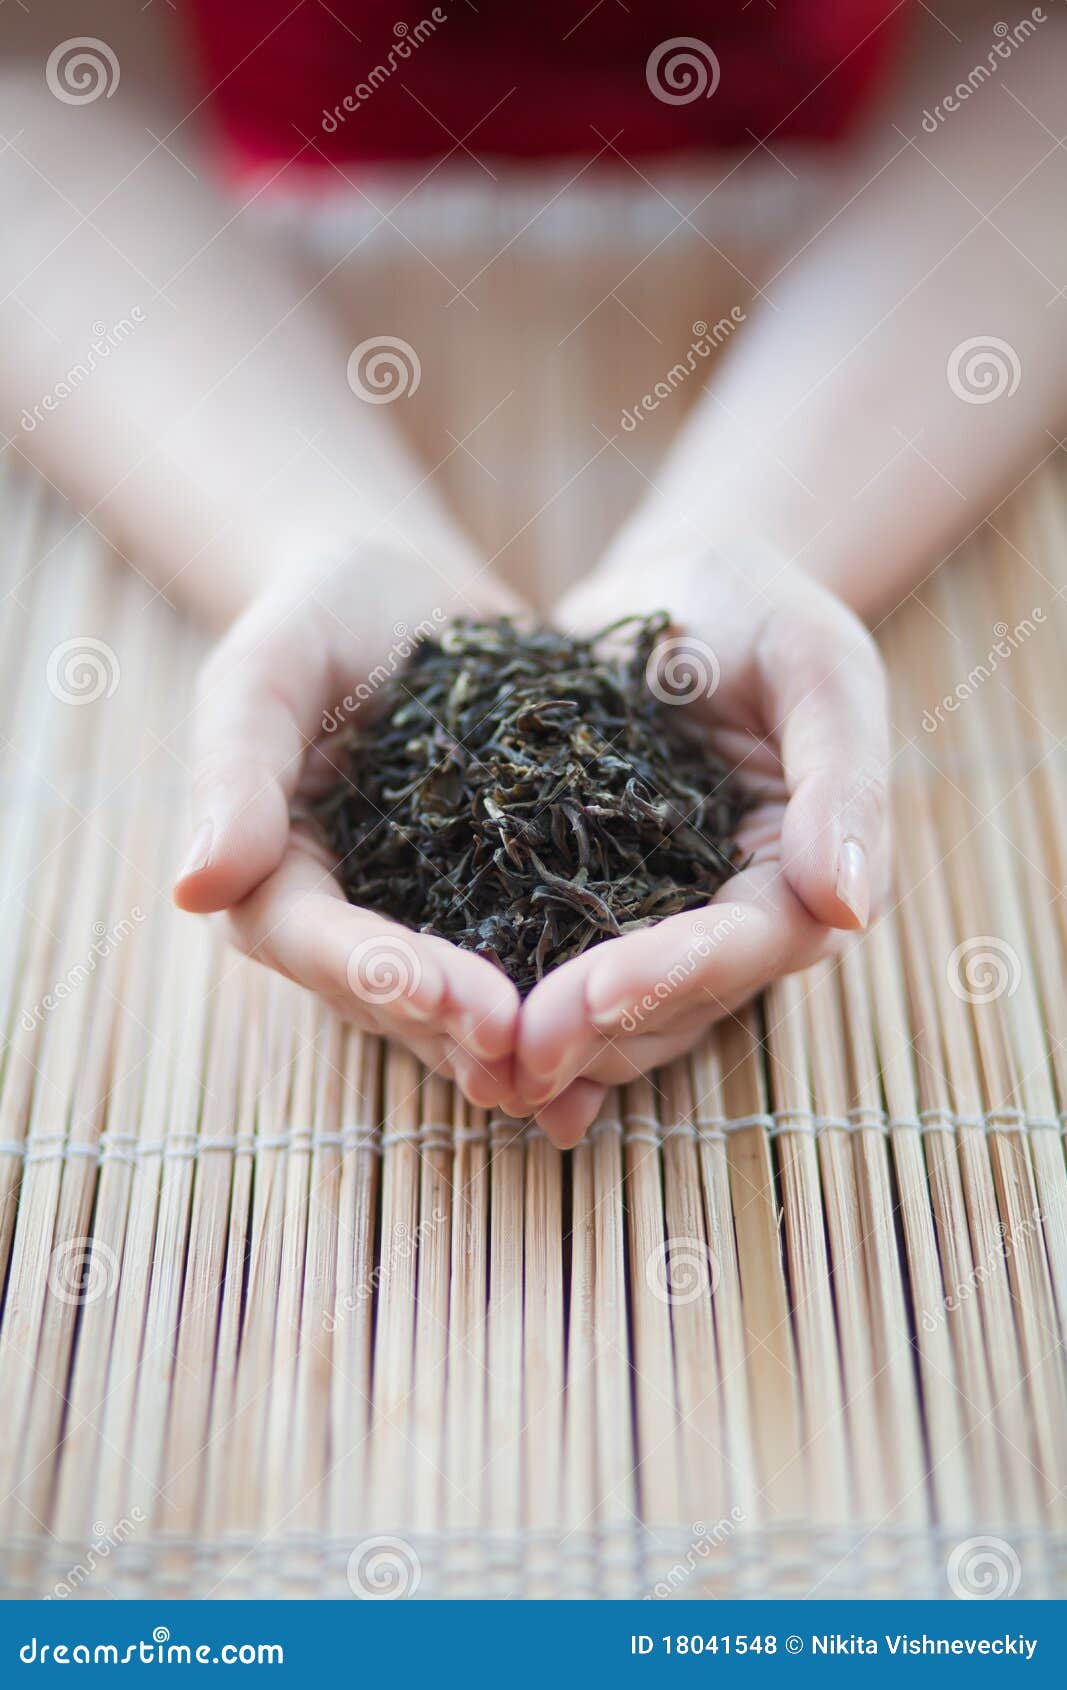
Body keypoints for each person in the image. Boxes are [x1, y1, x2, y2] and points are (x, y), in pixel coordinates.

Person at [1, 1, 1064, 1146]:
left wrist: (757, 540)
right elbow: (41, 68)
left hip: (883, 250)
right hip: (222, 285)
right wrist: (311, 539)